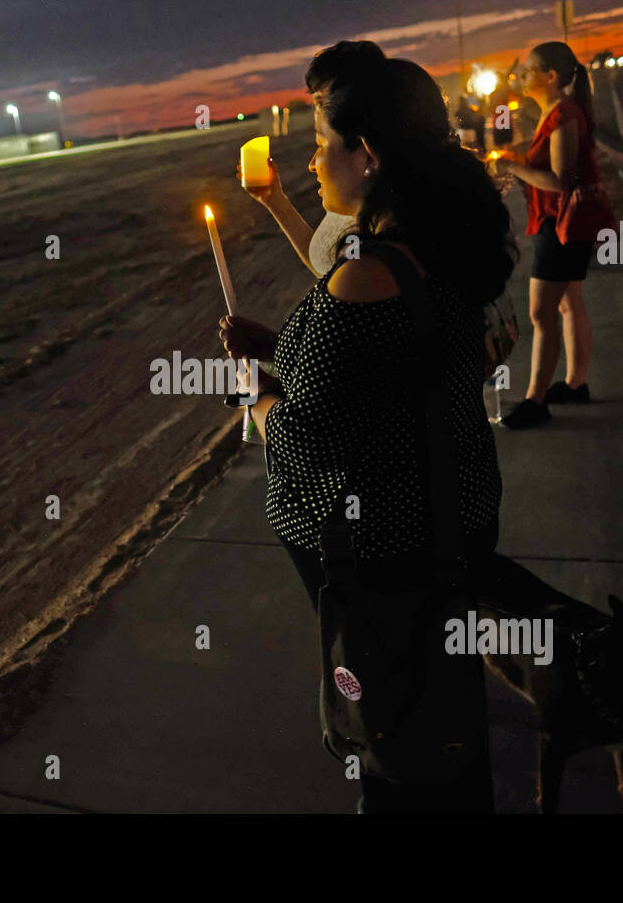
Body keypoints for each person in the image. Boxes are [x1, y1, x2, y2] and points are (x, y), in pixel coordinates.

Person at [216, 40, 516, 813]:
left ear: (369, 156)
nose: (313, 164)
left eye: (322, 146)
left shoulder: (370, 273)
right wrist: (284, 350)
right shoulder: (435, 243)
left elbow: (313, 437)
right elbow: (386, 380)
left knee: (396, 742)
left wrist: (254, 395)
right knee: (445, 714)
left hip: (386, 553)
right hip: (450, 520)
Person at [489, 41, 602, 428]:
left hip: (562, 226)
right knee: (569, 303)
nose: (519, 78)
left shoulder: (563, 114)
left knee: (541, 313)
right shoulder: (554, 113)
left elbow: (560, 181)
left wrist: (511, 165)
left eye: (527, 71)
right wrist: (518, 159)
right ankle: (576, 383)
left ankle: (536, 402)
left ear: (550, 77)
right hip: (561, 223)